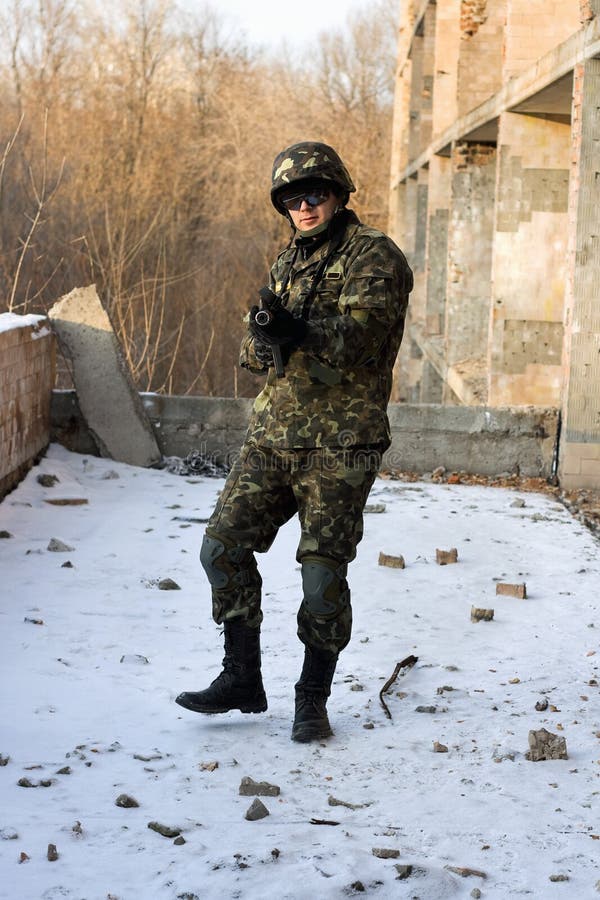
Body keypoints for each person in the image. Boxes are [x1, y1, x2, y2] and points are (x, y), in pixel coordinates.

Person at [176, 141, 413, 742]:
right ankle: (242, 676)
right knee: (221, 548)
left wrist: (298, 328)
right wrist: (265, 331)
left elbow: (362, 337)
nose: (303, 207)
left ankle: (312, 697)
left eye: (314, 195)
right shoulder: (288, 264)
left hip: (341, 443)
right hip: (273, 438)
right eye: (292, 199)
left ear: (338, 194)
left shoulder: (373, 254)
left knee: (321, 574)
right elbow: (253, 358)